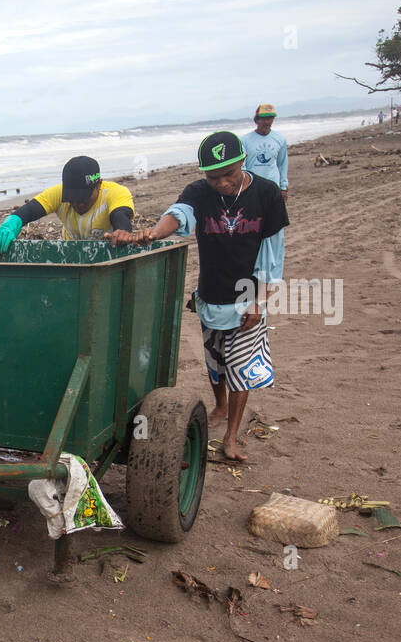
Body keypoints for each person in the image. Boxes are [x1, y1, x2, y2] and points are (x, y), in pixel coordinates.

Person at [111, 131, 288, 461]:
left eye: (228, 175)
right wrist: (150, 234)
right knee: (215, 364)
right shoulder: (198, 192)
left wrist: (259, 300)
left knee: (241, 367)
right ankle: (219, 405)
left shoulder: (267, 194)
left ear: (241, 162)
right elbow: (178, 215)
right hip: (210, 295)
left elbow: (272, 253)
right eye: (213, 177)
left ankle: (231, 437)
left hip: (247, 296)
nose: (221, 183)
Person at [0, 155, 134, 252]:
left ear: (99, 184)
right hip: (69, 252)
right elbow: (26, 213)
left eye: (83, 197)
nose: (78, 204)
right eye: (72, 198)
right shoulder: (58, 193)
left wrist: (122, 232)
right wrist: (9, 225)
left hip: (107, 252)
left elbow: (121, 216)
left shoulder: (115, 193)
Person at [242, 103, 288, 284]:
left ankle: (274, 273)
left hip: (274, 191)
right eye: (263, 118)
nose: (266, 122)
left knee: (276, 230)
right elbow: (243, 168)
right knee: (254, 229)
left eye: (270, 118)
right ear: (256, 119)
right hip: (253, 191)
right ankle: (255, 269)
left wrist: (283, 187)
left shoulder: (280, 139)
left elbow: (282, 164)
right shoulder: (245, 141)